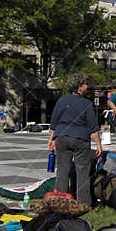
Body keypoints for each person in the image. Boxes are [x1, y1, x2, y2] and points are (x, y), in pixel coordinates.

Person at [48, 77, 102, 206]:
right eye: (85, 85)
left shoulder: (61, 100)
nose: (87, 87)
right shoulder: (87, 104)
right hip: (80, 138)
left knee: (62, 170)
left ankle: (61, 201)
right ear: (79, 87)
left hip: (61, 137)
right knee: (82, 171)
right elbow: (93, 127)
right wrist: (98, 145)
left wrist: (51, 140)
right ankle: (83, 203)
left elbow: (53, 123)